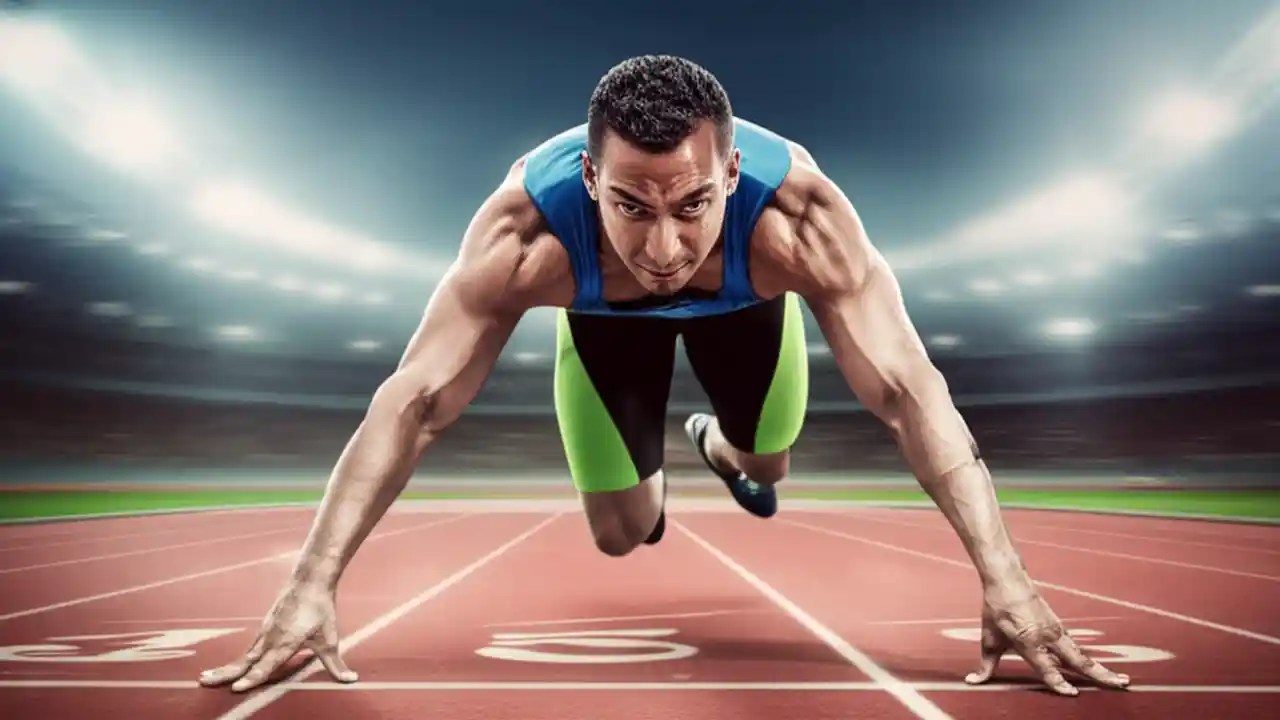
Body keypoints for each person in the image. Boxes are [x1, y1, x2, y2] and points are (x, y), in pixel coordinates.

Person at [199, 54, 1131, 697]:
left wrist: (1005, 580)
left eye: (691, 205)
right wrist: (312, 582)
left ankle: (720, 446)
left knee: (767, 470)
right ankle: (662, 460)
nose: (664, 247)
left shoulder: (798, 221)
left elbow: (906, 389)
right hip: (600, 327)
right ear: (587, 177)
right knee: (621, 534)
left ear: (730, 174)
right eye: (628, 207)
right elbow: (415, 400)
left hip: (748, 311)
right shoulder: (525, 238)